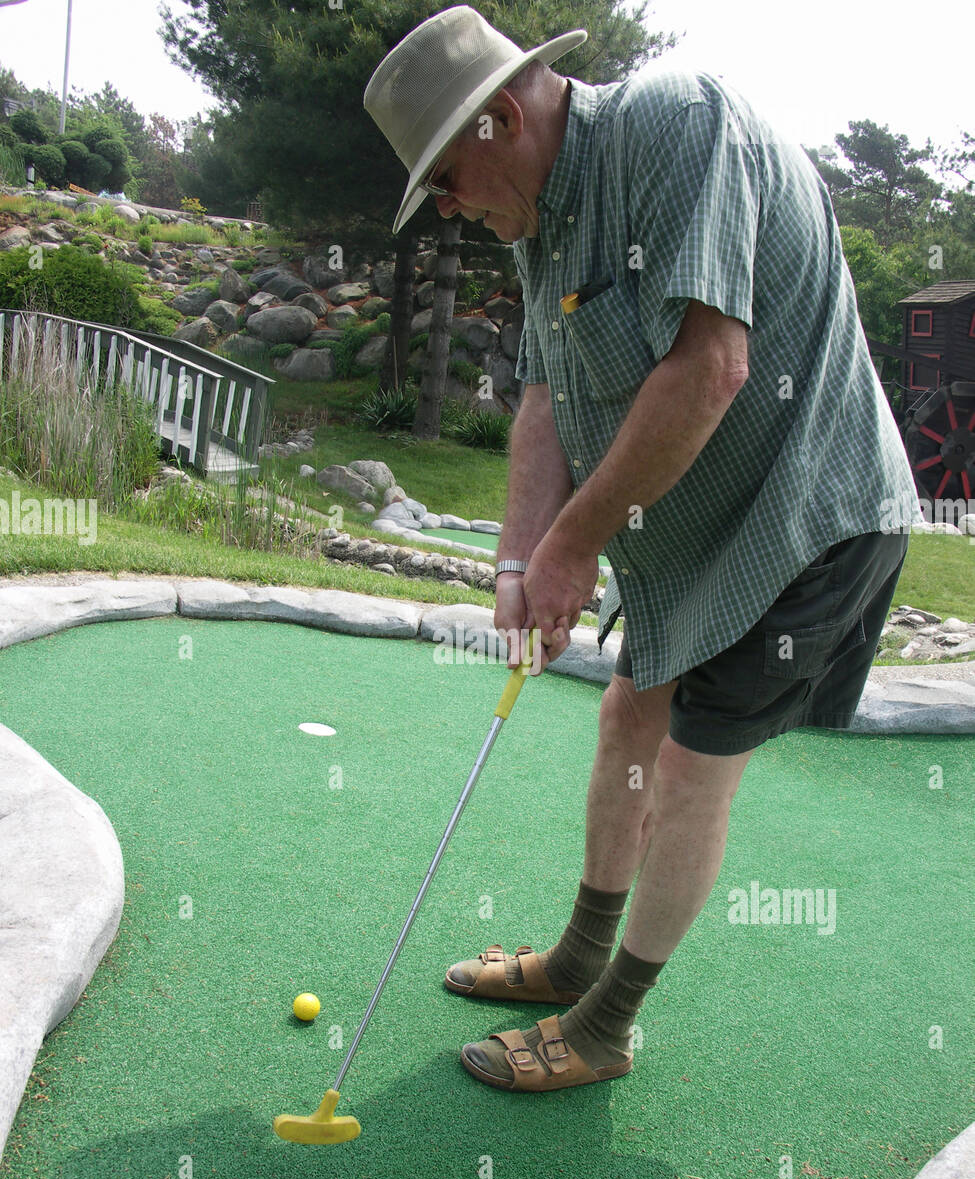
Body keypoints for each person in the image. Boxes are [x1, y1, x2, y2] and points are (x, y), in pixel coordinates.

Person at [364, 6, 921, 1094]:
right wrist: (522, 561)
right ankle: (577, 956)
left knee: (688, 769)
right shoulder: (541, 224)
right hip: (697, 535)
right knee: (627, 715)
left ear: (500, 120)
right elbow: (540, 396)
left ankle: (608, 1023)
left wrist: (576, 546)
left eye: (445, 181)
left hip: (807, 516)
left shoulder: (681, 126)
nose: (451, 211)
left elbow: (709, 367)